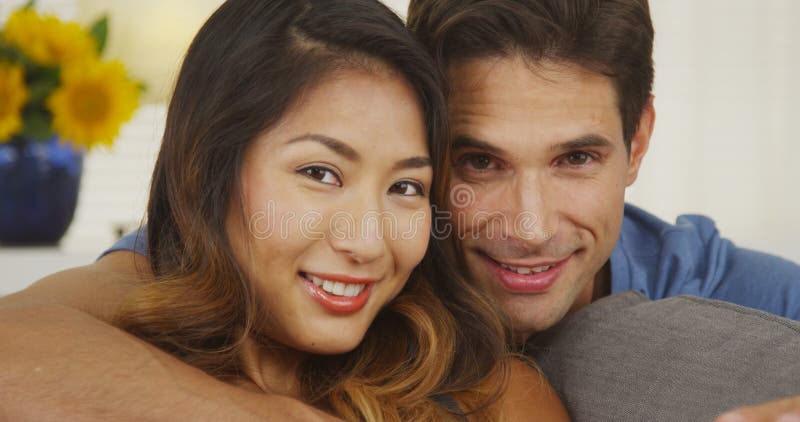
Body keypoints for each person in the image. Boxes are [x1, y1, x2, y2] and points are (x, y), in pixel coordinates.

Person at [3, 0, 798, 420]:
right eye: (478, 161)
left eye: (576, 159)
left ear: (638, 139)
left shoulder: (718, 291)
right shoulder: (241, 243)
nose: (529, 226)